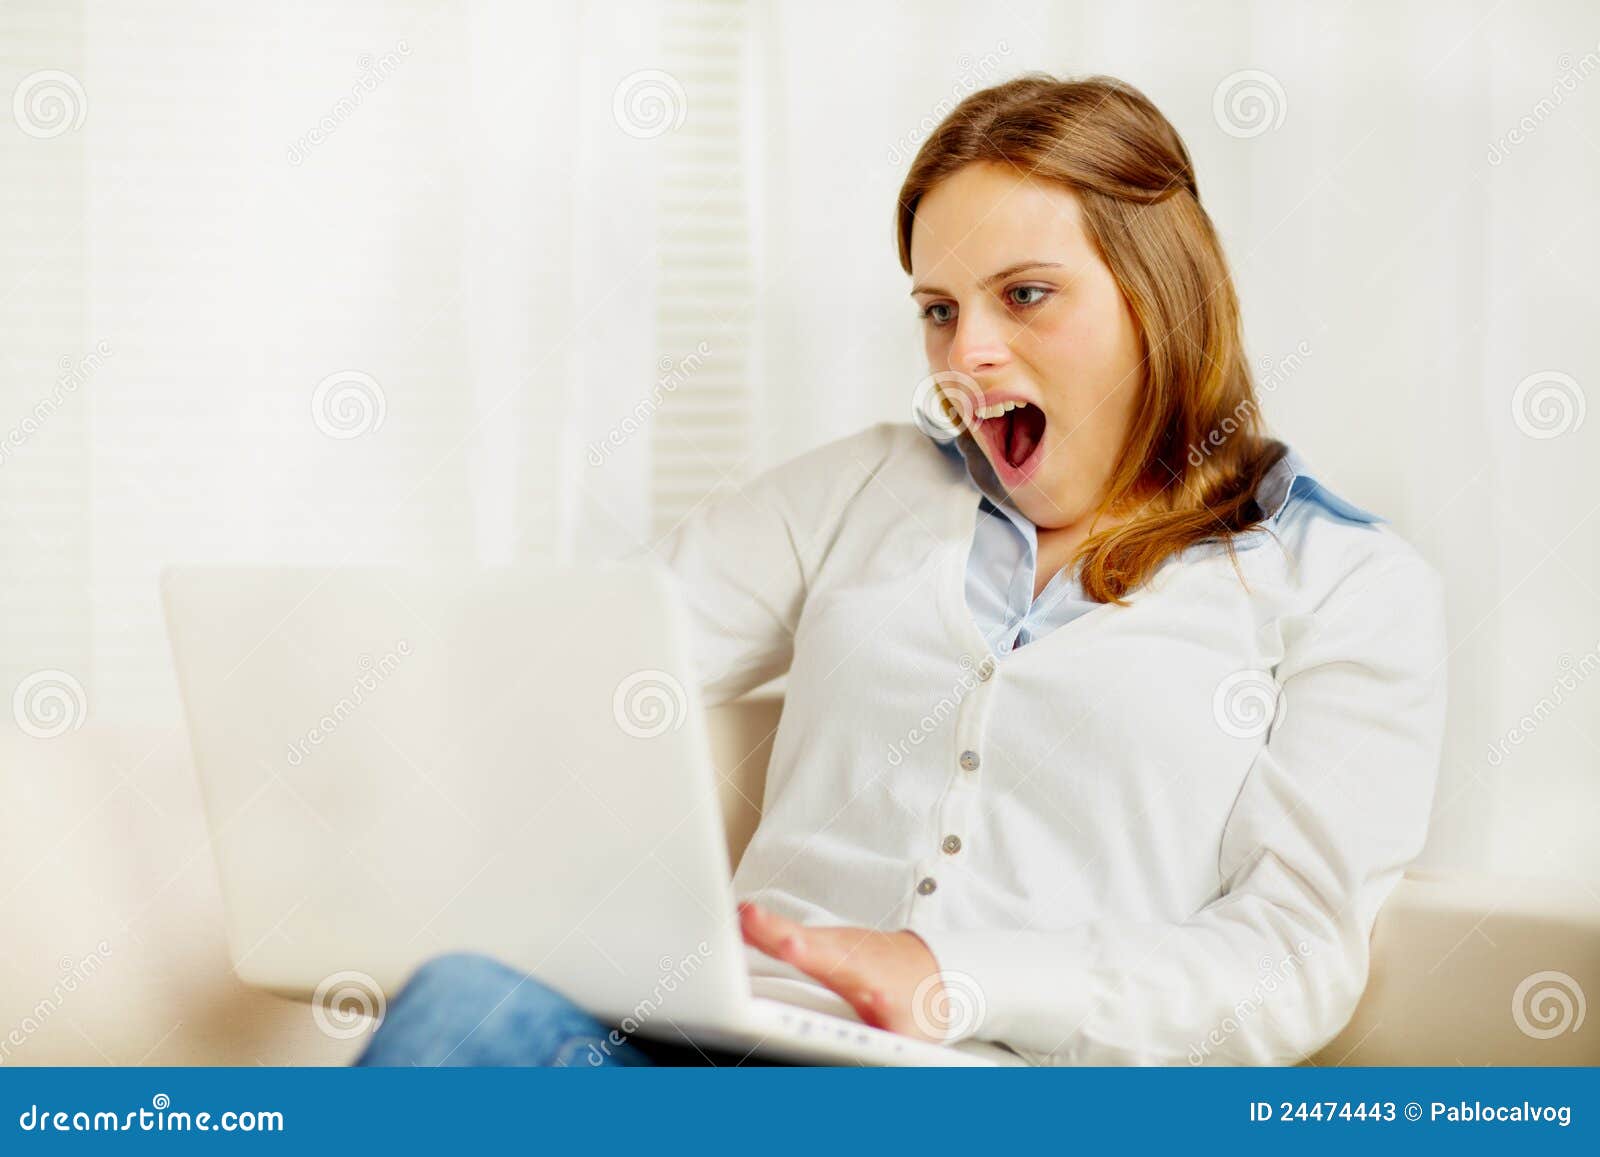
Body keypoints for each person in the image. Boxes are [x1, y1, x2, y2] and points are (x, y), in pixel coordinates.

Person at [357, 73, 1447, 1067]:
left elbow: (1291, 960)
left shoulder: (1347, 584)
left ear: (1157, 298)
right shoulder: (863, 489)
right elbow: (581, 661)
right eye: (938, 308)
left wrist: (951, 980)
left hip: (1004, 1087)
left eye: (1024, 294)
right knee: (465, 1006)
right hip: (728, 1052)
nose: (963, 353)